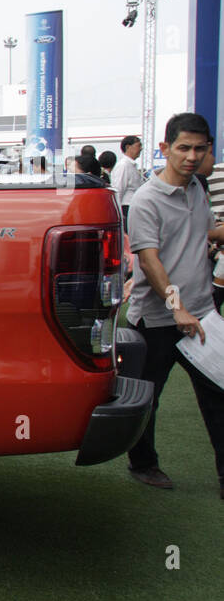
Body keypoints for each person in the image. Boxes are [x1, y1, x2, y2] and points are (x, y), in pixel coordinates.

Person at [124, 112, 224, 495]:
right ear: (165, 148)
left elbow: (198, 234)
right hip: (157, 319)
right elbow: (149, 259)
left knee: (218, 395)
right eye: (183, 147)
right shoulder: (147, 198)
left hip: (202, 313)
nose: (191, 156)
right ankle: (143, 464)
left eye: (200, 148)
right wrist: (175, 305)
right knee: (146, 399)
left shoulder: (198, 188)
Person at [111, 135, 143, 230]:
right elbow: (118, 189)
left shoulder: (131, 165)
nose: (141, 149)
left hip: (132, 206)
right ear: (128, 147)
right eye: (138, 145)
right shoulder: (123, 165)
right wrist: (118, 212)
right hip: (126, 207)